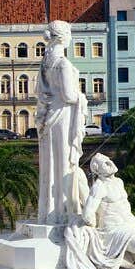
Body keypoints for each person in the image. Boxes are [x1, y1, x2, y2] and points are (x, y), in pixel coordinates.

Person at [36, 21, 86, 224]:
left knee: (49, 162)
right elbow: (69, 95)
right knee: (64, 163)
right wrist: (82, 98)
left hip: (49, 116)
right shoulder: (63, 64)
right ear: (64, 37)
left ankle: (48, 211)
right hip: (63, 116)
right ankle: (62, 212)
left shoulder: (45, 63)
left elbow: (41, 92)